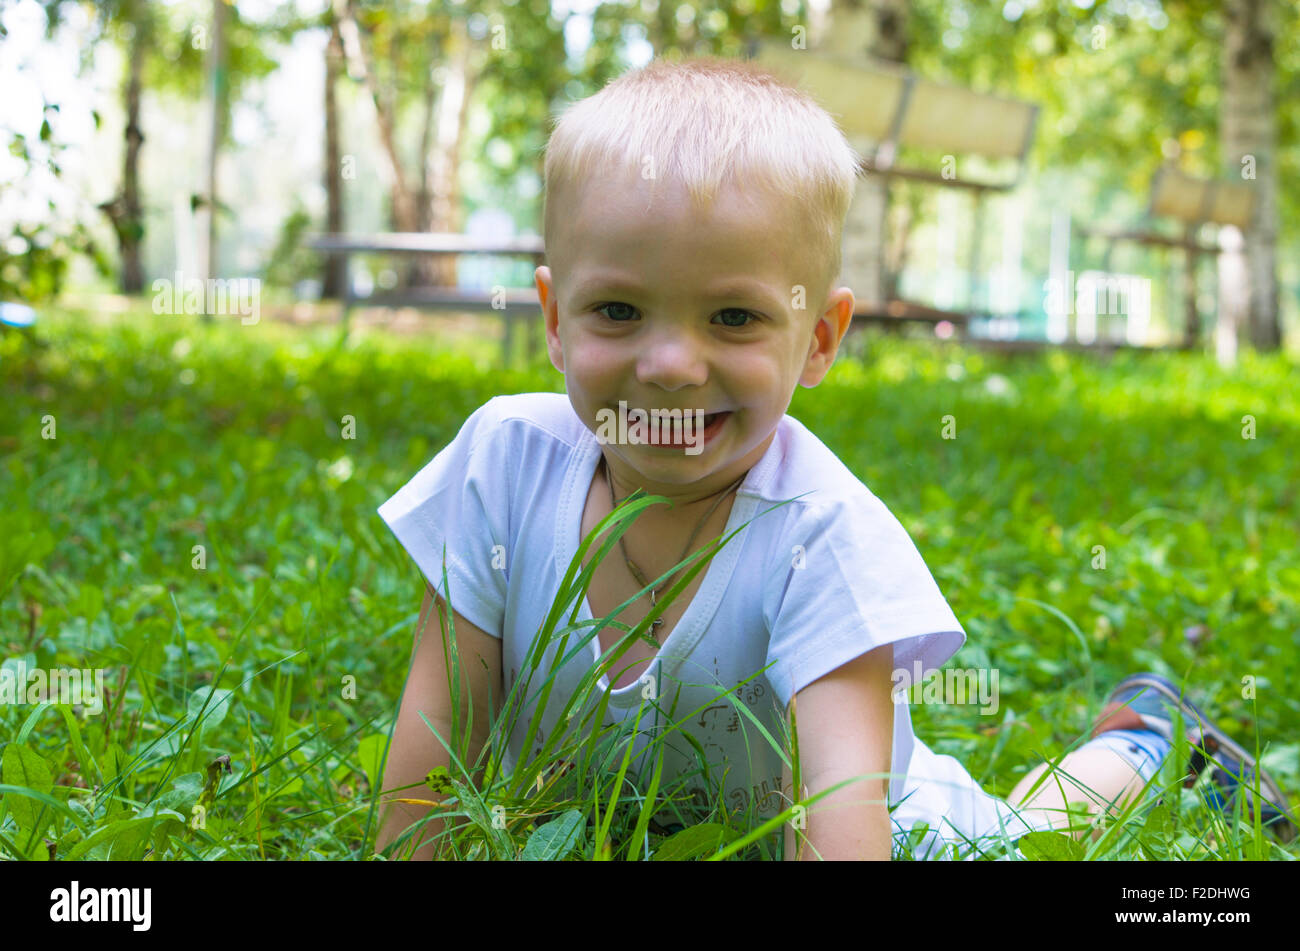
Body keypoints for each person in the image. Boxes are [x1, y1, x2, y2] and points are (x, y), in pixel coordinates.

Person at [372, 56, 1292, 860]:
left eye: (733, 317)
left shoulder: (825, 539)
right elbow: (436, 737)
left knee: (1013, 836)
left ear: (819, 339)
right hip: (603, 811)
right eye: (618, 310)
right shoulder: (503, 465)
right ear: (554, 319)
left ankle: (1145, 740)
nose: (670, 367)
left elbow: (841, 832)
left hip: (869, 815)